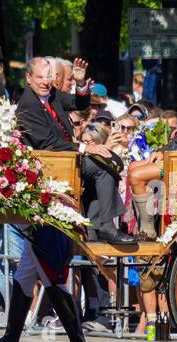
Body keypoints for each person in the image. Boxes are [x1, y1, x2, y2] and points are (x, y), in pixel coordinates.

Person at [15, 56, 131, 246]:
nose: (45, 82)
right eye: (40, 77)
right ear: (28, 78)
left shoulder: (51, 94)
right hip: (50, 165)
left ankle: (96, 230)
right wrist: (86, 148)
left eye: (48, 77)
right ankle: (106, 228)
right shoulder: (27, 105)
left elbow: (80, 104)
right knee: (102, 167)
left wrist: (80, 83)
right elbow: (46, 142)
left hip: (67, 158)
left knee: (104, 164)